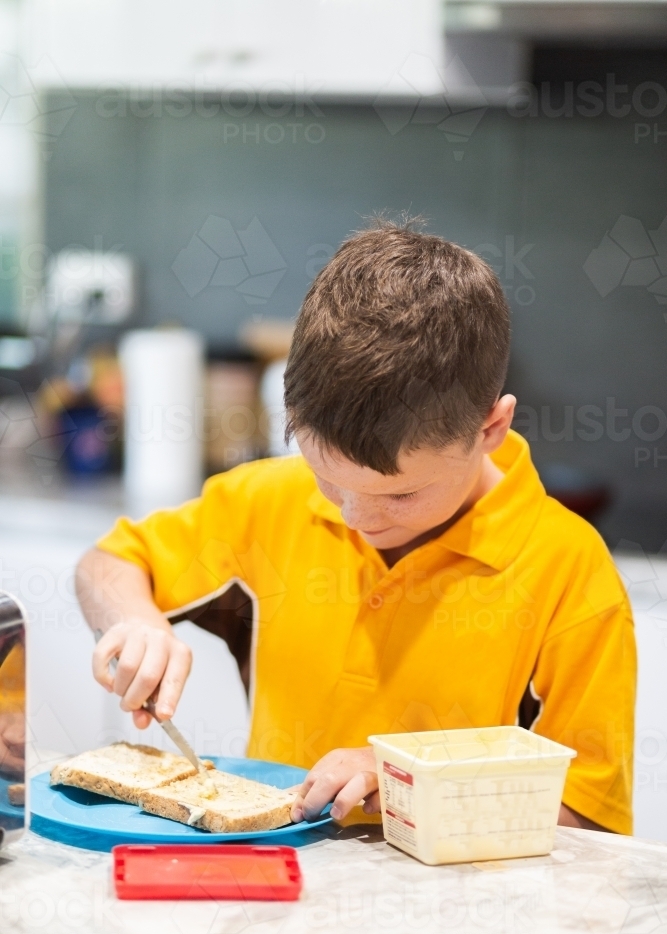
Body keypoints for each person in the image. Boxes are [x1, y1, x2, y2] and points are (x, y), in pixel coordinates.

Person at [76, 220, 636, 834]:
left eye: (401, 493)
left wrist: (406, 781)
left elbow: (588, 820)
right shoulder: (266, 500)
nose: (356, 515)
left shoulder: (568, 572)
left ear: (490, 429)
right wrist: (134, 620)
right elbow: (108, 564)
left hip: (471, 921)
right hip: (277, 899)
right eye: (328, 477)